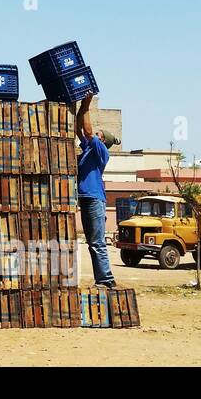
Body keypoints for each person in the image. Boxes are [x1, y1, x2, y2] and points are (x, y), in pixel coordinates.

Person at [76, 91, 120, 287]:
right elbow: (79, 129)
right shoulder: (88, 150)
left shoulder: (101, 152)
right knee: (91, 243)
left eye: (97, 135)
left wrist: (88, 104)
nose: (93, 135)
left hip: (94, 200)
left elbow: (86, 131)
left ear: (102, 141)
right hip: (86, 198)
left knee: (97, 243)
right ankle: (102, 278)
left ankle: (106, 279)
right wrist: (80, 106)